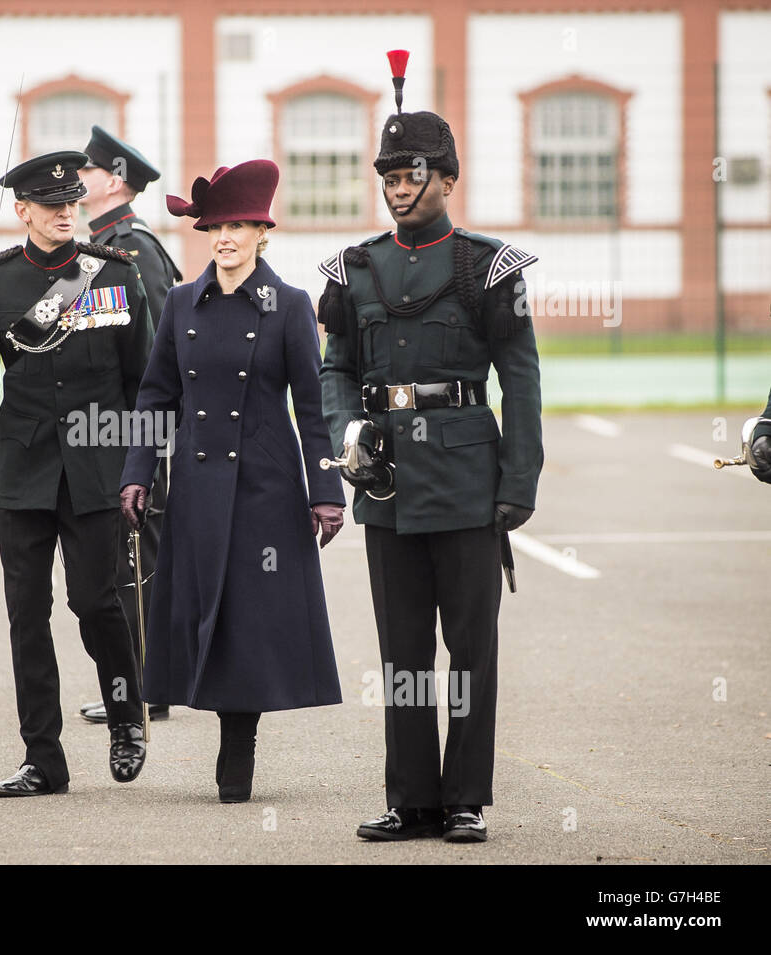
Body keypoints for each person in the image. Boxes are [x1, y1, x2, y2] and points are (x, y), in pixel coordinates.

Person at [317, 50, 543, 842]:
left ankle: (465, 799)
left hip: (468, 478)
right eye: (390, 173)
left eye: (414, 171)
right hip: (386, 483)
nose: (400, 184)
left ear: (446, 177)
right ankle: (410, 797)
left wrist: (520, 479)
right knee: (402, 650)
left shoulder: (487, 269)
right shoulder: (354, 270)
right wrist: (348, 428)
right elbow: (336, 364)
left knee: (469, 649)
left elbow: (521, 377)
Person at [119, 159, 345, 803]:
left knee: (247, 620)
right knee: (204, 616)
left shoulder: (290, 306)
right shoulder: (183, 303)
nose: (226, 237)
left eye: (240, 225)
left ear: (260, 233)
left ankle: (237, 747)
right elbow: (155, 394)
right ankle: (223, 728)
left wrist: (325, 489)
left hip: (265, 490)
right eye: (217, 225)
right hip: (194, 487)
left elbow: (314, 405)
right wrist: (138, 472)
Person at [0, 150, 153, 796]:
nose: (67, 213)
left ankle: (126, 717)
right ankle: (44, 757)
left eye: (73, 203)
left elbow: (142, 381)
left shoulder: (116, 275)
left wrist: (143, 467)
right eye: (52, 205)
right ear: (23, 211)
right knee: (26, 614)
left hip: (96, 470)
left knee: (95, 602)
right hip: (25, 470)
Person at [76, 125, 182, 725]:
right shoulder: (105, 243)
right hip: (115, 425)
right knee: (128, 554)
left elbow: (158, 351)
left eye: (88, 172)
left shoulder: (133, 249)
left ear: (114, 179)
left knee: (137, 554)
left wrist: (146, 434)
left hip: (135, 429)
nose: (79, 180)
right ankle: (146, 679)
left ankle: (147, 683)